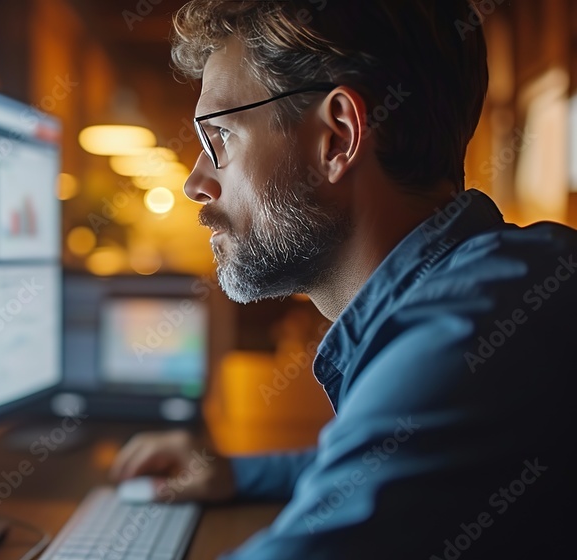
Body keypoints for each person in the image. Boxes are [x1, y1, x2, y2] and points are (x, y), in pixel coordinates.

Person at [110, 1, 575, 558]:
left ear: (337, 137)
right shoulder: (492, 292)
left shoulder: (468, 335)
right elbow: (388, 459)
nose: (196, 184)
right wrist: (239, 475)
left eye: (219, 140)